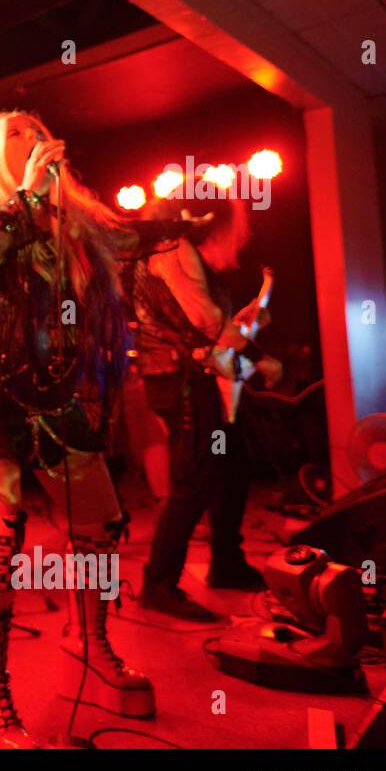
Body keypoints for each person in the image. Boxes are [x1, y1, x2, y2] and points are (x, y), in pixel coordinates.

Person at [0, 111, 155, 748]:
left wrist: (75, 208)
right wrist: (28, 198)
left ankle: (88, 642)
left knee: (101, 524)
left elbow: (129, 247)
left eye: (39, 128)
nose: (35, 137)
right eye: (18, 133)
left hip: (54, 395)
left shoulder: (68, 223)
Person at [128, 192, 282, 622]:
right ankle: (158, 583)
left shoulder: (183, 253)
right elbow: (207, 326)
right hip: (182, 385)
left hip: (193, 379)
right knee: (195, 476)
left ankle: (227, 564)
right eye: (237, 227)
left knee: (229, 466)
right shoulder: (175, 251)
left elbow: (209, 330)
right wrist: (260, 360)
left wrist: (243, 329)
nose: (241, 237)